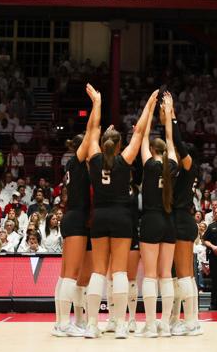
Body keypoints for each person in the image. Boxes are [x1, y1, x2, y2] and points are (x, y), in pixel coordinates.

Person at [83, 90, 156, 339]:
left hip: (100, 218)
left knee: (98, 272)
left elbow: (91, 131)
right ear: (119, 145)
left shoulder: (92, 159)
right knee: (120, 272)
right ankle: (122, 325)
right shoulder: (125, 160)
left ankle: (92, 325)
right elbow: (139, 132)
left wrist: (98, 103)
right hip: (122, 218)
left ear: (103, 143)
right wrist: (149, 104)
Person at [52, 84, 98, 338]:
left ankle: (78, 320)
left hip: (85, 220)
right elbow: (91, 133)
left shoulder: (87, 168)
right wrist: (95, 106)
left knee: (82, 276)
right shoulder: (75, 161)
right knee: (68, 274)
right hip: (76, 218)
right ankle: (61, 323)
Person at [136, 92, 180, 337]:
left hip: (151, 220)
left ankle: (151, 325)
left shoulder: (149, 165)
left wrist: (150, 108)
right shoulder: (171, 165)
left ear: (152, 150)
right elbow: (172, 142)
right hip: (169, 221)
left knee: (151, 276)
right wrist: (170, 114)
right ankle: (166, 324)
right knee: (166, 275)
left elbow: (141, 136)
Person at [169, 95, 202, 337]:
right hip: (175, 220)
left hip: (183, 220)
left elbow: (178, 145)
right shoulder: (179, 171)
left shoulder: (190, 167)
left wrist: (171, 119)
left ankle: (192, 322)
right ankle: (174, 318)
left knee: (185, 274)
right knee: (174, 276)